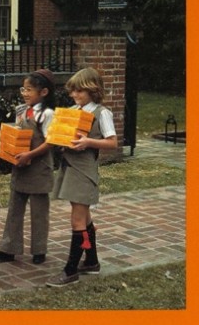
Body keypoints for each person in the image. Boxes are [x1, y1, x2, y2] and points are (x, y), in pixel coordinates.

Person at [45, 67, 117, 287]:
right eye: (72, 91)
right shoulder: (73, 110)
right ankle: (92, 262)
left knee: (77, 219)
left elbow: (112, 142)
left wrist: (88, 142)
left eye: (79, 91)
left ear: (92, 90)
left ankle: (70, 270)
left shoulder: (101, 113)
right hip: (70, 166)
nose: (74, 95)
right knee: (84, 218)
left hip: (84, 171)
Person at [0, 69, 56, 265]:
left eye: (29, 90)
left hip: (39, 167)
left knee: (39, 211)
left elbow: (50, 142)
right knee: (14, 209)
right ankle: (8, 248)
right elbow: (18, 133)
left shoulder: (47, 114)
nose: (24, 93)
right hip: (21, 166)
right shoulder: (21, 110)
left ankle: (39, 250)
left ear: (43, 92)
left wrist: (30, 155)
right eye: (23, 89)